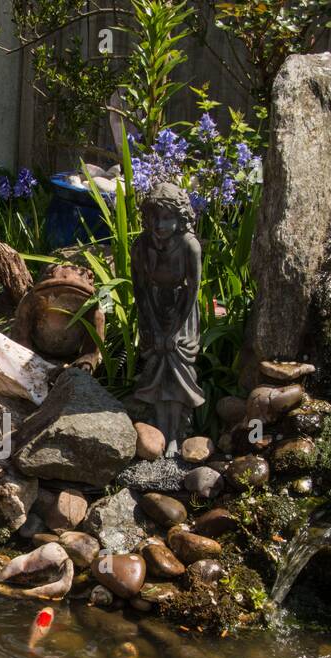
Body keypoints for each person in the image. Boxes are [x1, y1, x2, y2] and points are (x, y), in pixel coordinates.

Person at [131, 182, 206, 455]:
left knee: (177, 367)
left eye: (166, 218)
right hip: (152, 307)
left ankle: (177, 433)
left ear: (180, 218)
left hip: (181, 311)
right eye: (154, 217)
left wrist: (173, 332)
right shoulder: (141, 245)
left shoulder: (189, 246)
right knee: (156, 366)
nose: (159, 225)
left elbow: (194, 289)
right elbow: (139, 288)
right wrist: (152, 324)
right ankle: (158, 430)